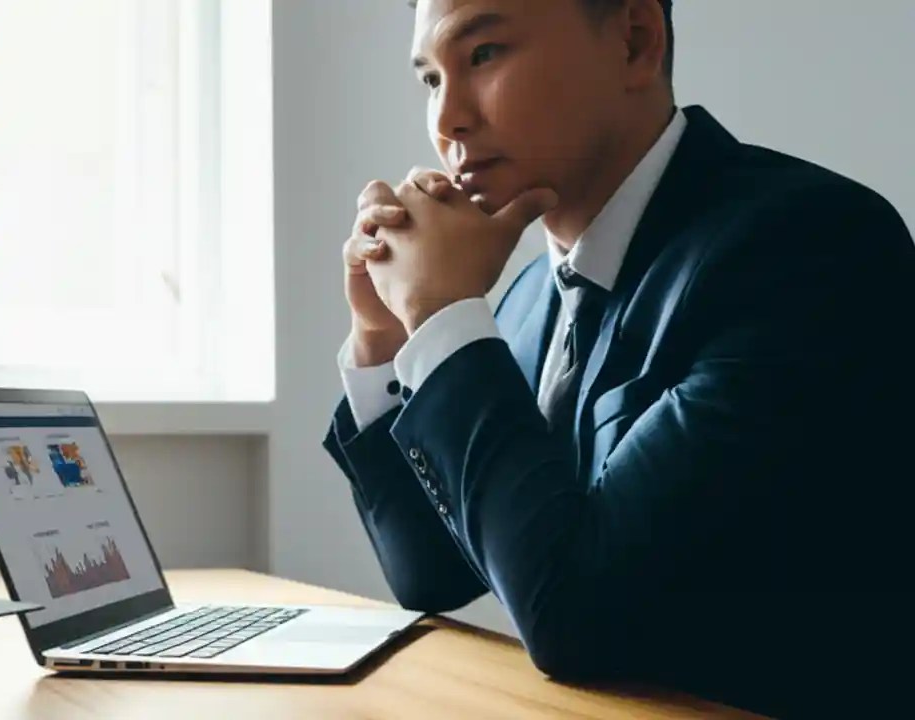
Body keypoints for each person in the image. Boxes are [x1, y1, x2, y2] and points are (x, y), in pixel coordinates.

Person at [321, 0, 915, 715]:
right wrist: (386, 338)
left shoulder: (808, 247)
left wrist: (444, 318)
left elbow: (580, 619)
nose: (446, 120)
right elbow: (434, 574)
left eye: (482, 56)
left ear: (634, 41)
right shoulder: (530, 294)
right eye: (429, 79)